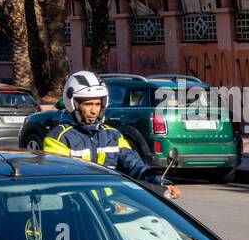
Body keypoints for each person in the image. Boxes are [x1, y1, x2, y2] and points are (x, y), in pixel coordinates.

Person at [43, 70, 181, 200]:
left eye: (98, 104)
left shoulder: (113, 136)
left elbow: (136, 166)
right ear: (74, 105)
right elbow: (65, 180)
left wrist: (161, 182)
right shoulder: (58, 139)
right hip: (77, 207)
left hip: (109, 205)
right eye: (88, 104)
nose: (94, 111)